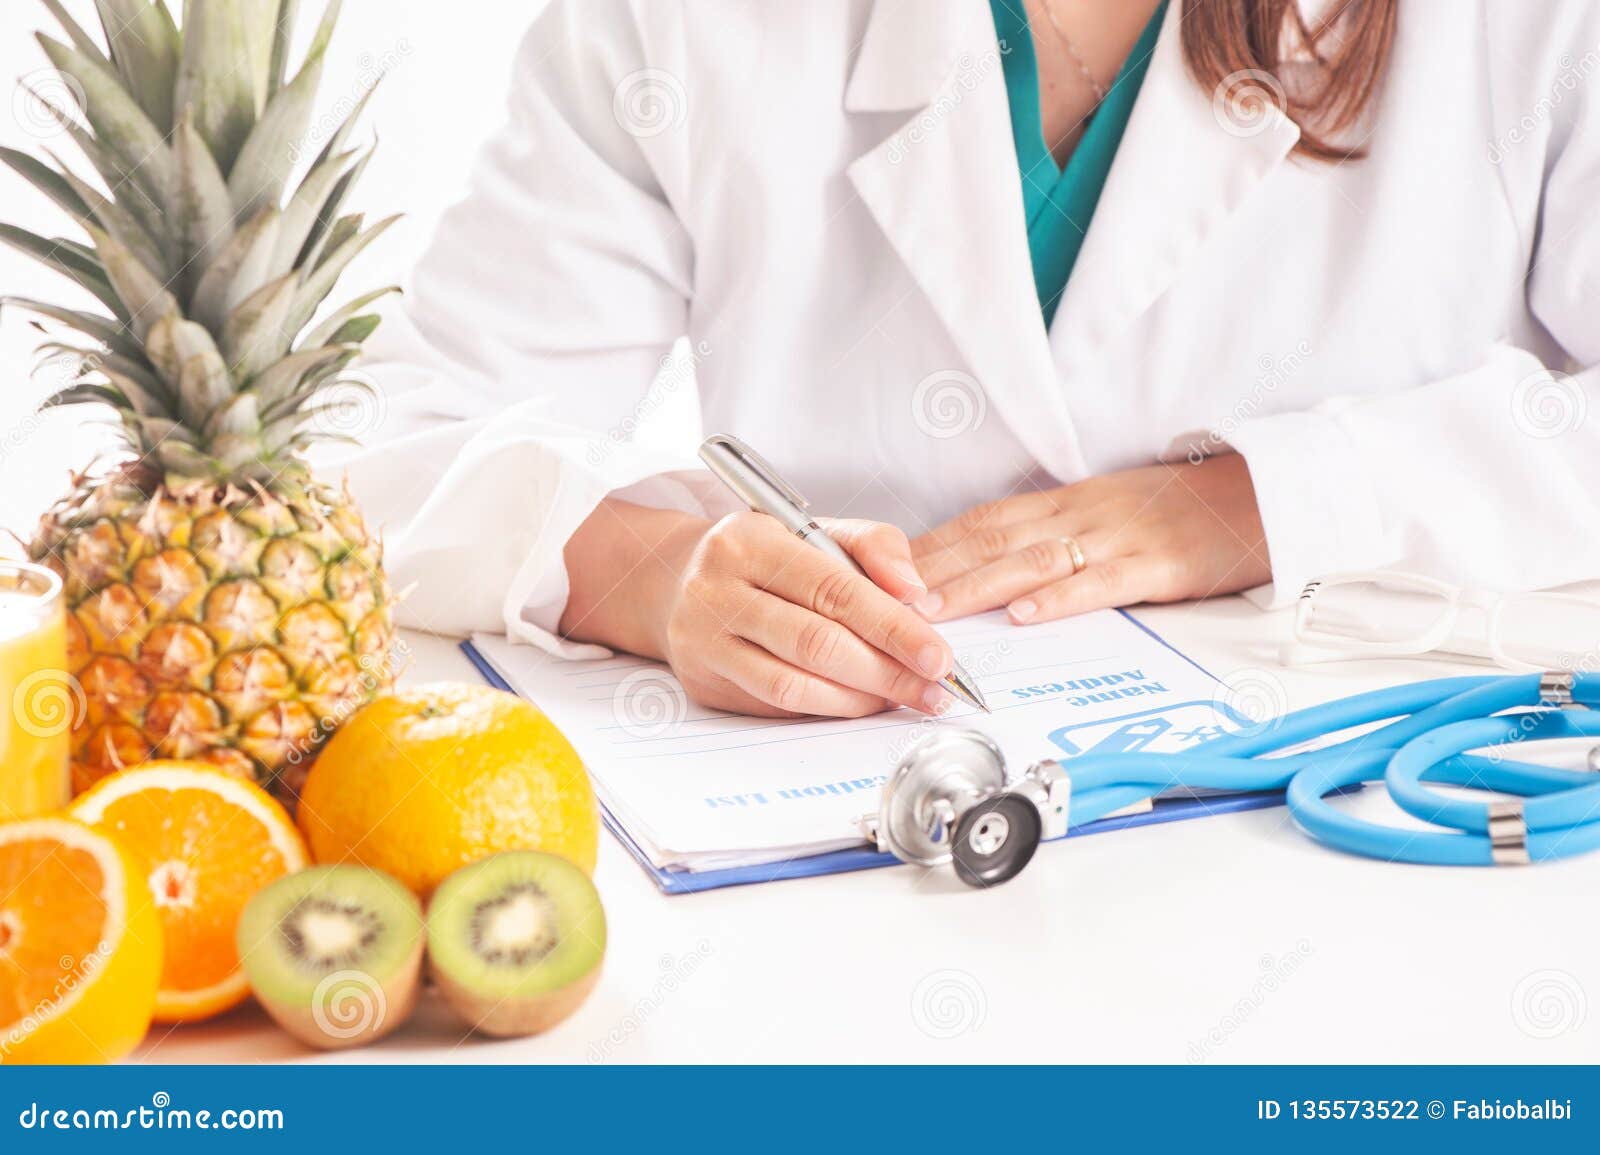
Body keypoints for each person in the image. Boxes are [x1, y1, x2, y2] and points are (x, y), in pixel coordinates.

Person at [342, 0, 1600, 719]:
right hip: (852, 839)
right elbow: (382, 447)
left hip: (1380, 834)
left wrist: (1264, 504)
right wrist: (654, 573)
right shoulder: (674, 26)